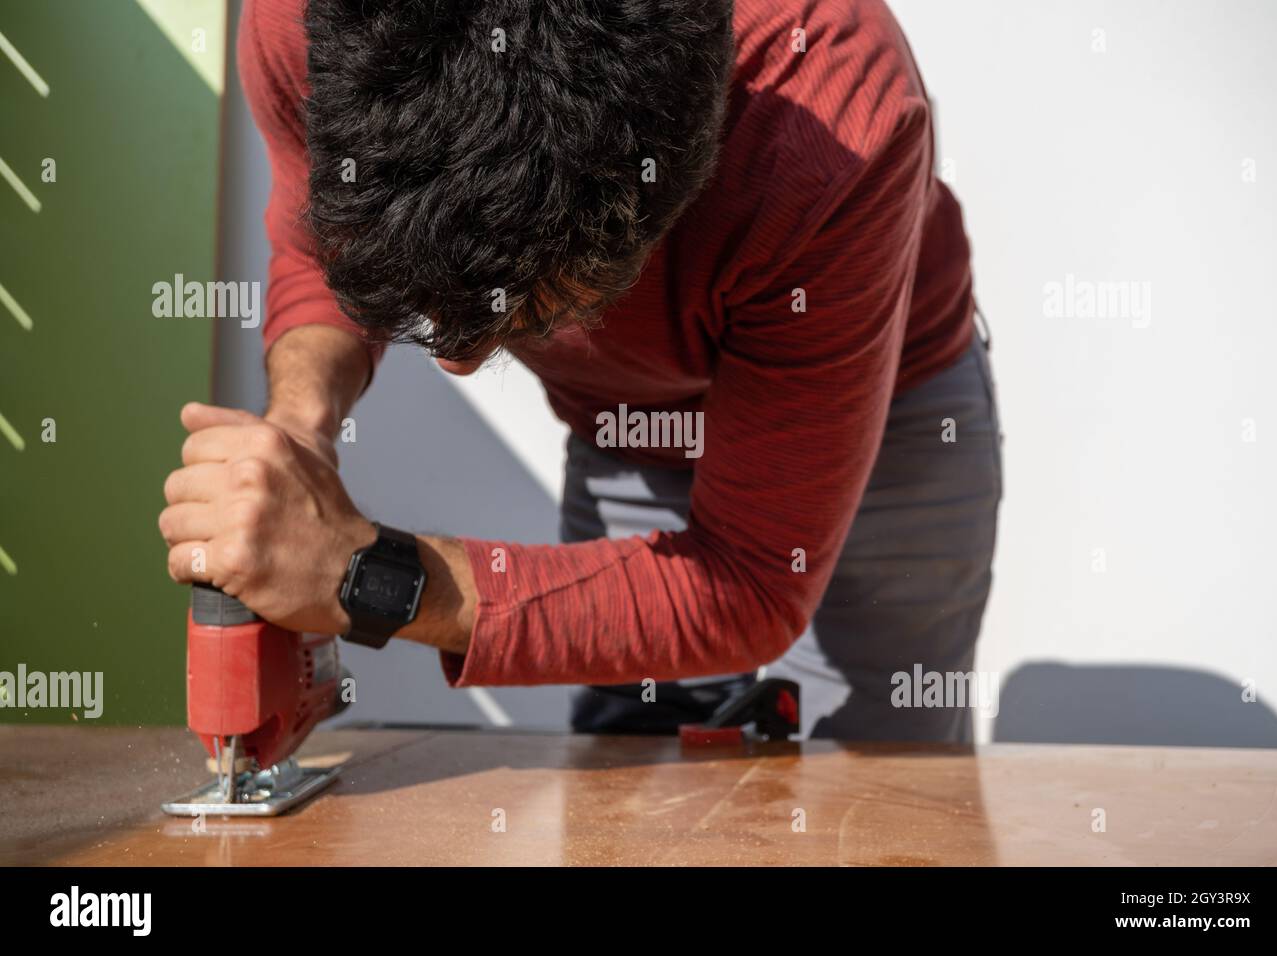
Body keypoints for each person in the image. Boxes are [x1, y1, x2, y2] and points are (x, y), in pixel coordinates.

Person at [159, 0, 1002, 741]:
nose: (457, 359)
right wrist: (301, 431)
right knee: (633, 787)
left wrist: (370, 578)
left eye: (521, 310)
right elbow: (323, 244)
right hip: (630, 424)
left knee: (871, 795)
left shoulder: (831, 102)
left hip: (889, 419)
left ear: (667, 182)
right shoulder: (309, 20)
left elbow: (750, 582)